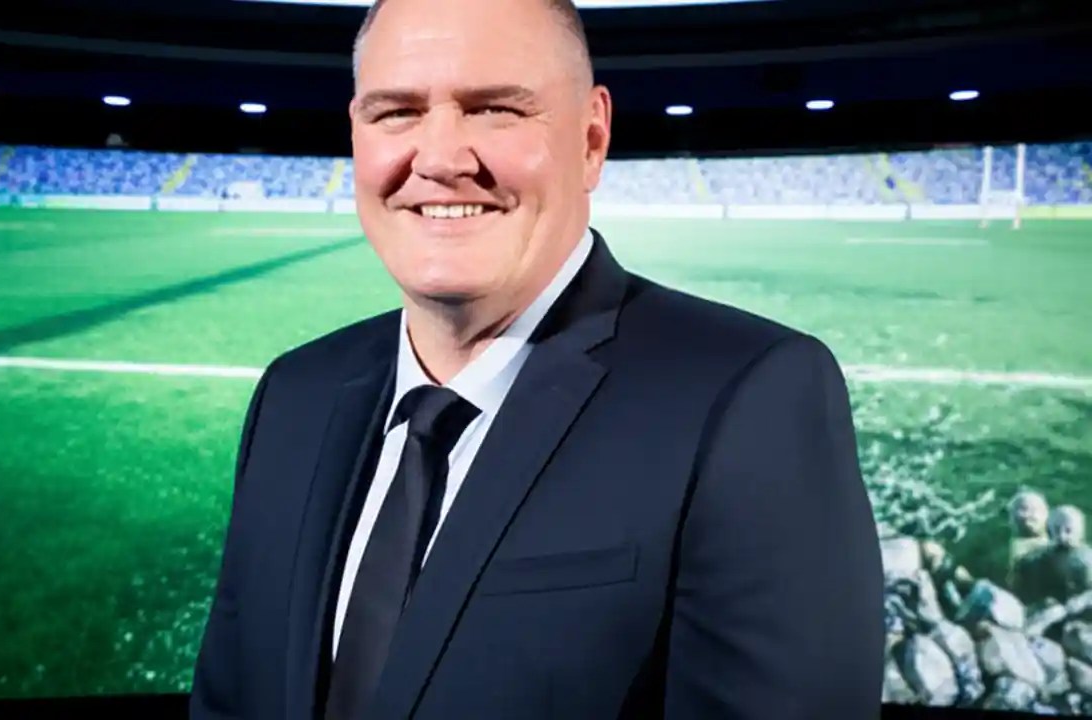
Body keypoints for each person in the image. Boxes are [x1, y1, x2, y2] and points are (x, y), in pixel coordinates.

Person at [189, 0, 885, 717]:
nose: (439, 158)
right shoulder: (293, 394)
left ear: (591, 139)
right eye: (395, 111)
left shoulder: (748, 396)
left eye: (494, 109)